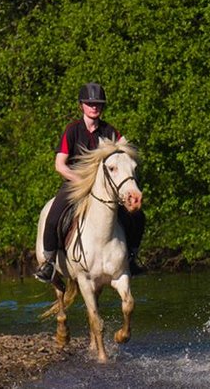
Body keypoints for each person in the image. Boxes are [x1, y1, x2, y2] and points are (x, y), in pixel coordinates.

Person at [34, 83, 146, 283]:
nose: (94, 106)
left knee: (138, 217)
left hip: (107, 189)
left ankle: (131, 258)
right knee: (53, 216)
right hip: (75, 185)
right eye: (90, 103)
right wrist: (83, 182)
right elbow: (60, 165)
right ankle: (49, 263)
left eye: (98, 103)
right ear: (82, 106)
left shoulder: (110, 131)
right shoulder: (72, 130)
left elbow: (125, 153)